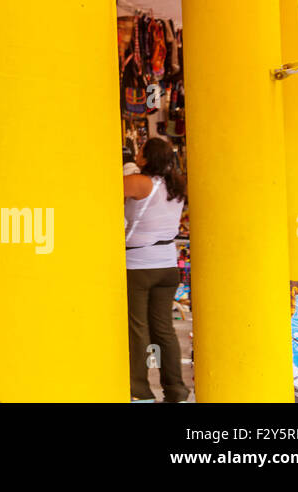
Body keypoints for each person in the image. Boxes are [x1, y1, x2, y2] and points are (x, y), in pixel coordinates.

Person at [123, 137, 190, 402]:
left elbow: (100, 187)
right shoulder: (176, 185)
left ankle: (140, 391)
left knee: (137, 329)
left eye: (140, 152)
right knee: (164, 330)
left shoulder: (141, 183)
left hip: (138, 266)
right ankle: (176, 390)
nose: (137, 155)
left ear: (147, 157)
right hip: (166, 266)